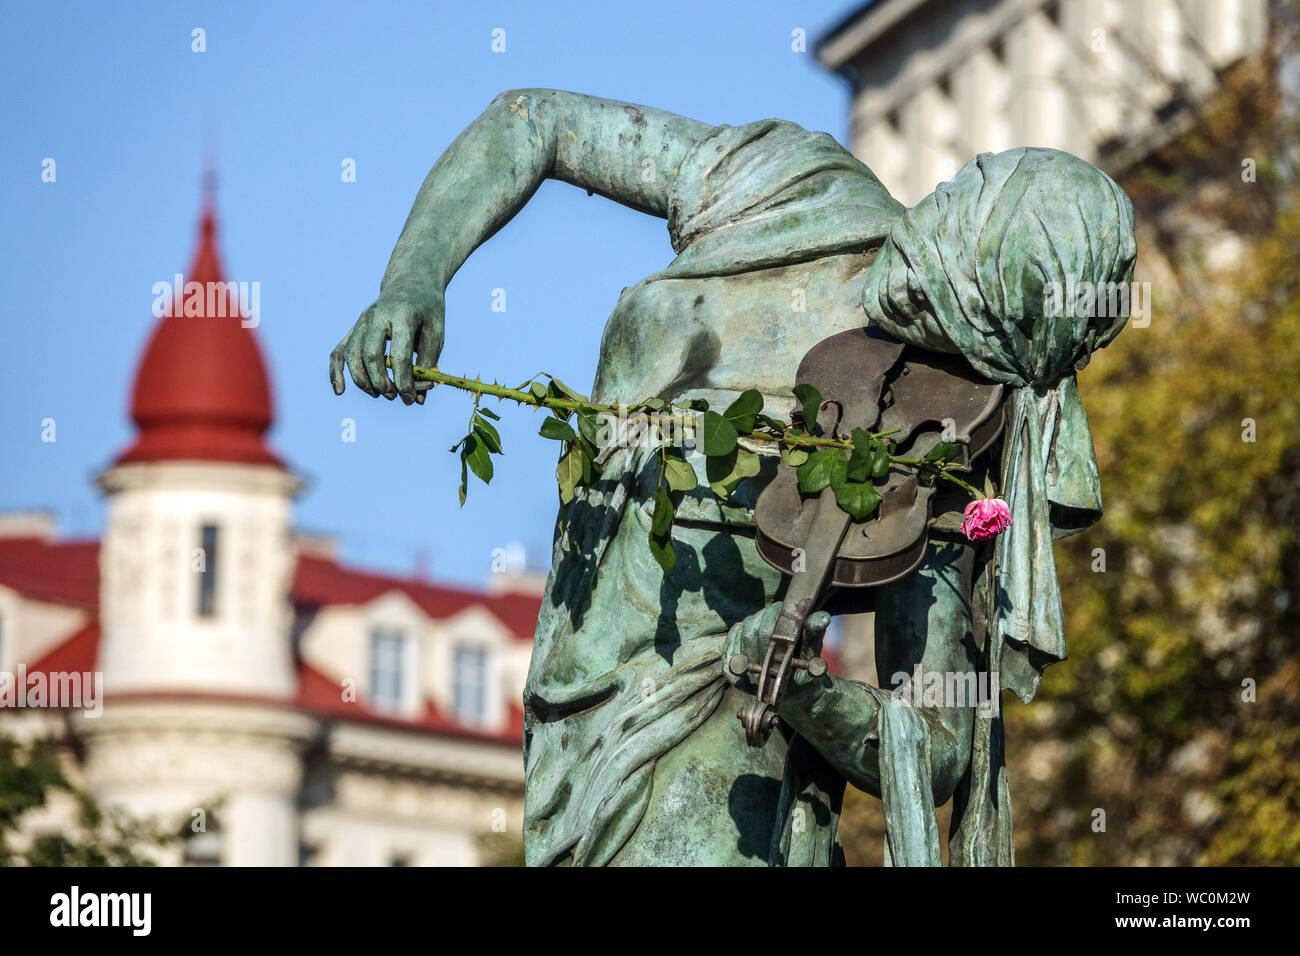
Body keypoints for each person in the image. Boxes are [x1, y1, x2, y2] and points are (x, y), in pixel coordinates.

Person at [330, 89, 1136, 866]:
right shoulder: (792, 183)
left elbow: (938, 748)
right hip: (575, 682)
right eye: (947, 262)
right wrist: (415, 278)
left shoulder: (941, 429)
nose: (926, 309)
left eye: (963, 316)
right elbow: (534, 121)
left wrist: (810, 693)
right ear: (958, 204)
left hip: (724, 734)